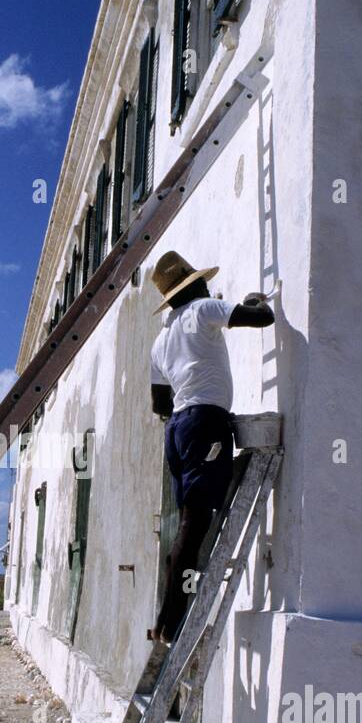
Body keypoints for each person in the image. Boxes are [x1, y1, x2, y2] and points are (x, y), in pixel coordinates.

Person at [149, 250, 274, 643]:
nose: (206, 285)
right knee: (196, 520)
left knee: (187, 518)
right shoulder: (204, 308)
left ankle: (168, 615)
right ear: (195, 285)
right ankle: (173, 620)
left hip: (178, 428)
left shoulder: (160, 340)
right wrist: (256, 300)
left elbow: (159, 404)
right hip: (206, 421)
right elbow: (261, 319)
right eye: (201, 281)